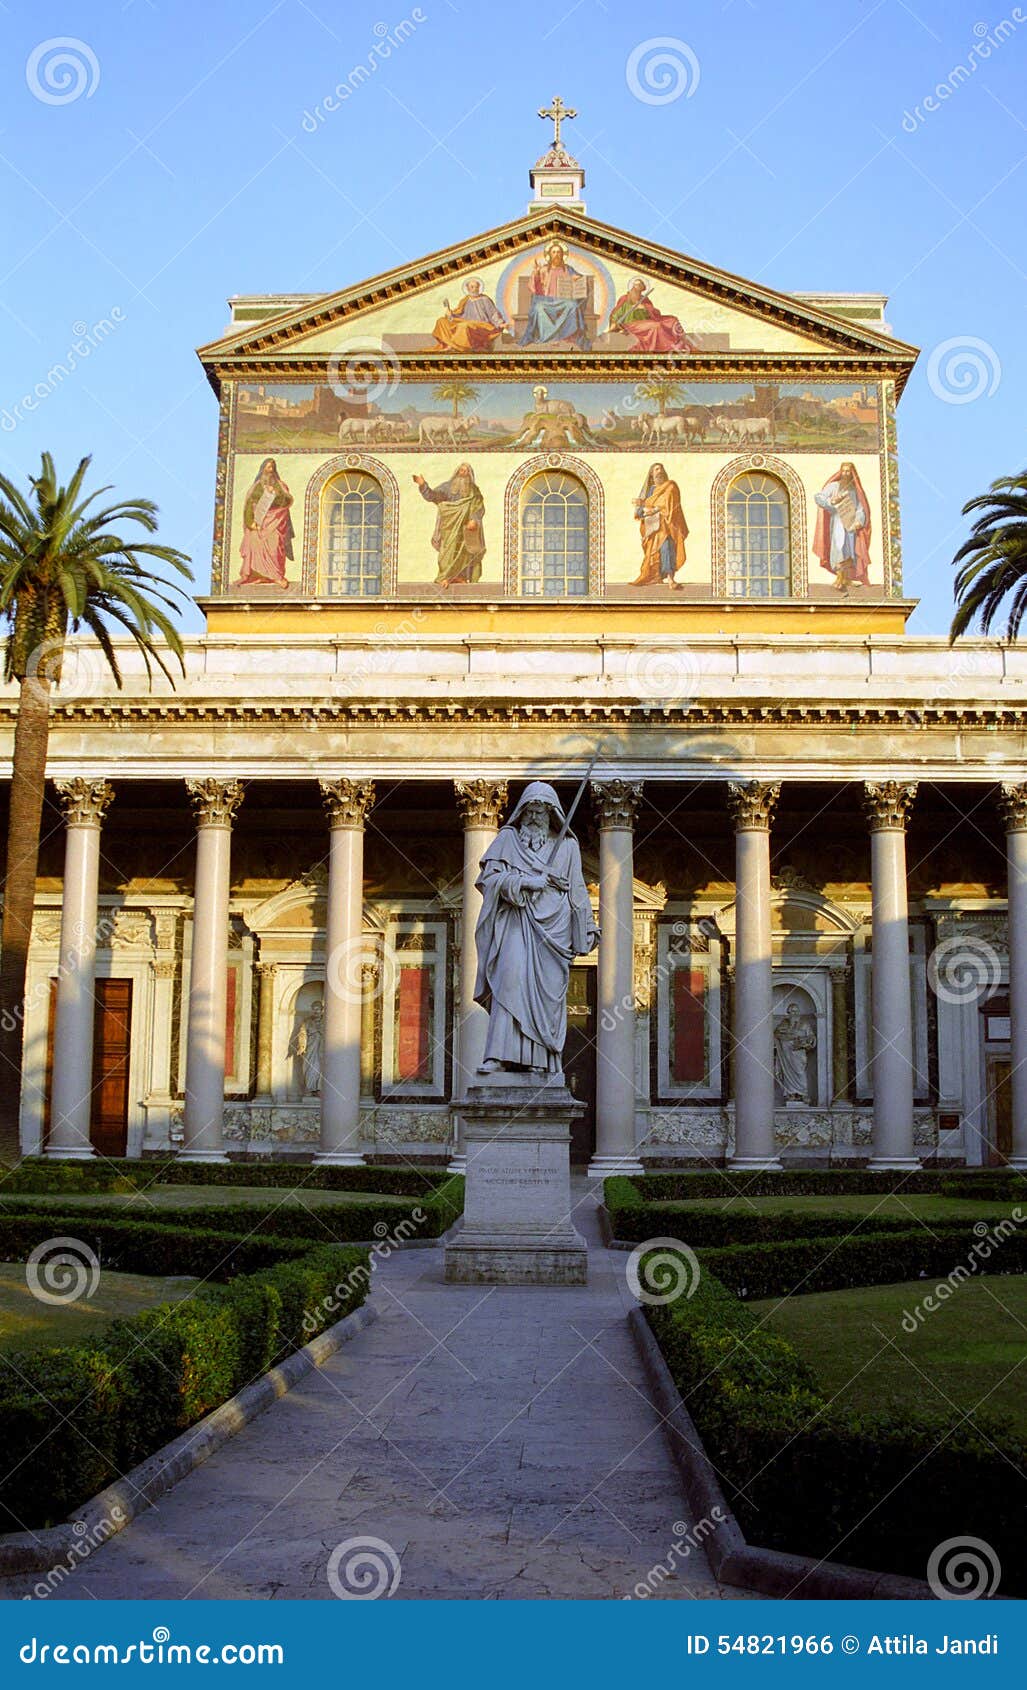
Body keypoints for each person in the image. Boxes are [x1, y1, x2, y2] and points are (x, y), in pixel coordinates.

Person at [474, 782, 599, 1076]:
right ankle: (498, 1056)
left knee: (546, 997)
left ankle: (538, 1059)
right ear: (522, 812)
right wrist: (526, 882)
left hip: (553, 930)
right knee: (510, 980)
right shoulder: (507, 840)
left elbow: (578, 891)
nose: (534, 818)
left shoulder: (566, 847)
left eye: (540, 812)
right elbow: (488, 881)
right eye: (530, 811)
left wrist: (587, 928)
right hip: (516, 923)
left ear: (551, 814)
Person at [412, 463, 486, 584]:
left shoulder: (474, 490)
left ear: (470, 474)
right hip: (449, 527)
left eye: (466, 471)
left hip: (466, 528)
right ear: (457, 472)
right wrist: (423, 485)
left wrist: (474, 519)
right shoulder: (446, 487)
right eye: (461, 470)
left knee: (466, 552)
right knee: (447, 551)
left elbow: (479, 506)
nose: (463, 473)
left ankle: (460, 577)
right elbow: (432, 496)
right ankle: (445, 576)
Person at [813, 461, 871, 591]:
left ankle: (846, 579)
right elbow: (818, 497)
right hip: (838, 523)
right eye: (843, 471)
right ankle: (840, 578)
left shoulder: (855, 491)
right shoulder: (834, 486)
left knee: (850, 551)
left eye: (848, 471)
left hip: (850, 525)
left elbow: (861, 508)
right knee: (838, 547)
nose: (845, 474)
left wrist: (859, 521)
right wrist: (831, 502)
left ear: (852, 473)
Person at [519, 242, 589, 349]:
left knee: (573, 305)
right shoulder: (543, 269)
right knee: (538, 308)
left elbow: (580, 280)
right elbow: (534, 288)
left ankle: (566, 337)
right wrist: (536, 274)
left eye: (559, 252)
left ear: (562, 255)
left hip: (563, 301)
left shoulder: (568, 269)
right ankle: (547, 339)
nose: (556, 254)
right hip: (547, 301)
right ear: (549, 255)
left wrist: (577, 279)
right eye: (554, 252)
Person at [238, 458, 294, 587]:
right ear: (262, 469)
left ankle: (276, 576)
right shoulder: (256, 487)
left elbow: (287, 500)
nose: (269, 470)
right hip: (258, 523)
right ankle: (259, 576)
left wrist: (274, 495)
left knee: (275, 546)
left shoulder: (280, 486)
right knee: (254, 541)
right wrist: (250, 522)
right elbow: (249, 505)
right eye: (267, 467)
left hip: (276, 522)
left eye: (272, 468)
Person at [632, 464, 689, 588]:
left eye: (661, 469)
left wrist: (655, 508)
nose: (660, 471)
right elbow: (641, 511)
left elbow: (670, 503)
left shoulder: (670, 486)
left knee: (667, 547)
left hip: (668, 525)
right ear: (651, 474)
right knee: (654, 552)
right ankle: (656, 576)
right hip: (652, 527)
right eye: (656, 469)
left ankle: (670, 578)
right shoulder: (650, 490)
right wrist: (642, 508)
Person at [610, 279, 694, 353]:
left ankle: (680, 343)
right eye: (635, 285)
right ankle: (668, 347)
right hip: (631, 325)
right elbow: (615, 315)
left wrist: (645, 307)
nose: (636, 288)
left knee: (672, 320)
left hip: (647, 322)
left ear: (642, 289)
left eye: (639, 285)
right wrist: (615, 326)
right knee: (656, 326)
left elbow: (655, 313)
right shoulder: (625, 299)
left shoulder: (645, 300)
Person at [431, 278, 510, 351]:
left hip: (482, 325)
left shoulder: (485, 299)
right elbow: (458, 314)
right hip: (465, 322)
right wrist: (450, 314)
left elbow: (493, 314)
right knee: (441, 321)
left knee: (463, 326)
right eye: (472, 287)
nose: (474, 289)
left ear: (479, 288)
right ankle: (448, 344)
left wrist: (500, 323)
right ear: (468, 288)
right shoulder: (465, 300)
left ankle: (454, 346)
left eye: (476, 287)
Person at [773, 1002, 815, 1103]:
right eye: (791, 1011)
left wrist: (805, 1041)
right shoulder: (783, 1024)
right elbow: (776, 1034)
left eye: (796, 1011)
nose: (794, 1013)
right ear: (788, 1013)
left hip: (798, 1054)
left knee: (800, 1072)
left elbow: (812, 1037)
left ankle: (803, 1093)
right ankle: (790, 1093)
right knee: (787, 1073)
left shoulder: (805, 1024)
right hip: (786, 1054)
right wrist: (789, 1035)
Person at [289, 1000, 324, 1096]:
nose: (316, 1011)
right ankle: (310, 1088)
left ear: (322, 1010)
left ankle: (319, 1089)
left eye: (318, 1009)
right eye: (314, 1009)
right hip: (311, 1048)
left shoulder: (328, 1021)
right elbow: (302, 1034)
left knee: (322, 1068)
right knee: (310, 1067)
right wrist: (302, 1046)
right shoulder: (307, 1022)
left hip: (323, 1049)